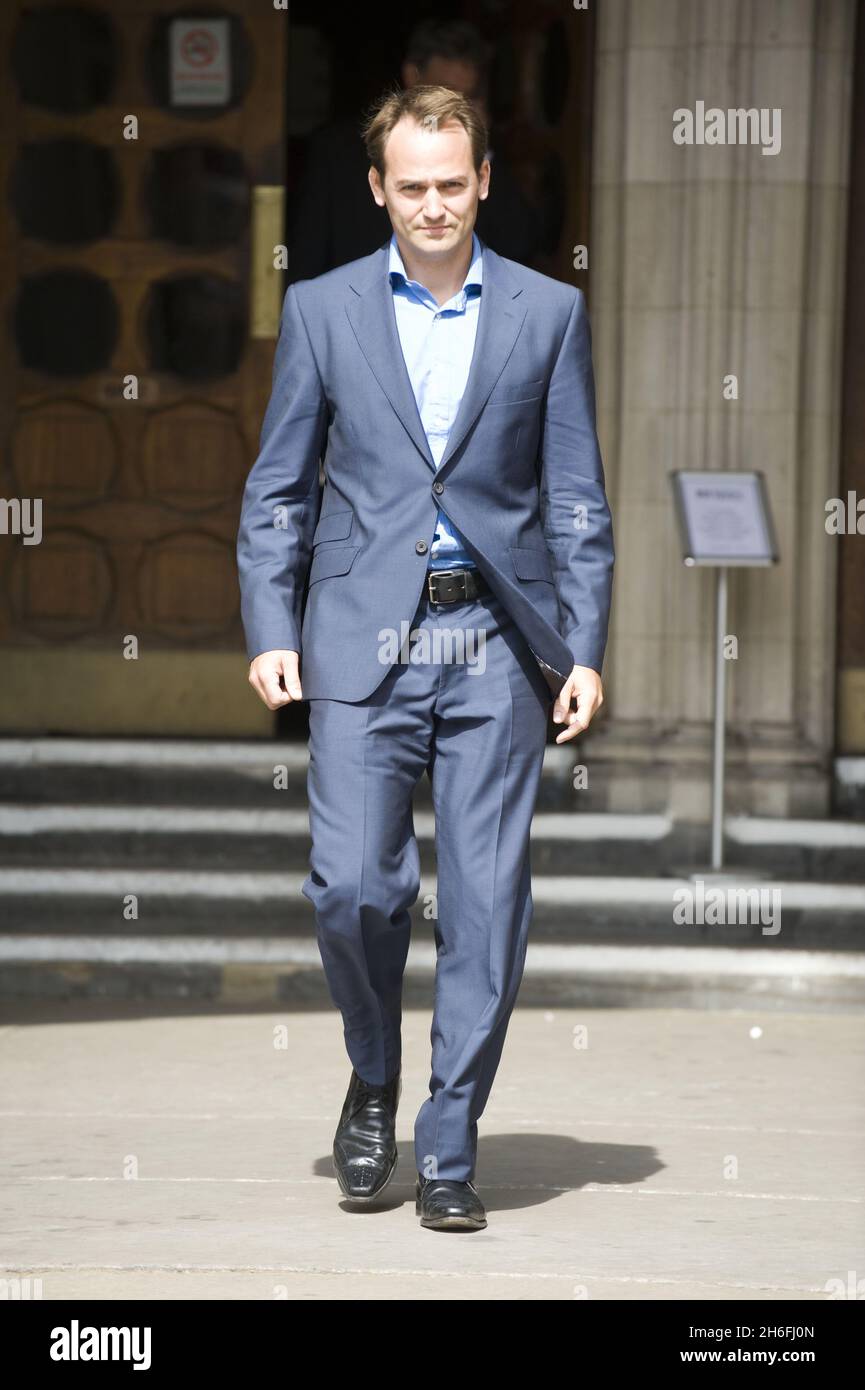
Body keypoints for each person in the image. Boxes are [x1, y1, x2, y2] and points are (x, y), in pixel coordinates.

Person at [236, 84, 614, 1232]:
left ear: (485, 181)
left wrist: (582, 648)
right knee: (354, 886)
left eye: (455, 183)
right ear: (378, 189)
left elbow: (576, 498)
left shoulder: (547, 314)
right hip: (362, 638)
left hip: (494, 642)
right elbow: (278, 488)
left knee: (487, 904)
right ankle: (374, 1071)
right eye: (414, 187)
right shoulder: (323, 310)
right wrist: (272, 629)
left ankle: (448, 1146)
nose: (436, 204)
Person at [287, 18, 540, 281]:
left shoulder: (477, 157)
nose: (454, 110)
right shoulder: (339, 153)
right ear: (412, 75)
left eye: (468, 98)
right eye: (446, 92)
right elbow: (307, 258)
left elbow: (521, 243)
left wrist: (480, 146)